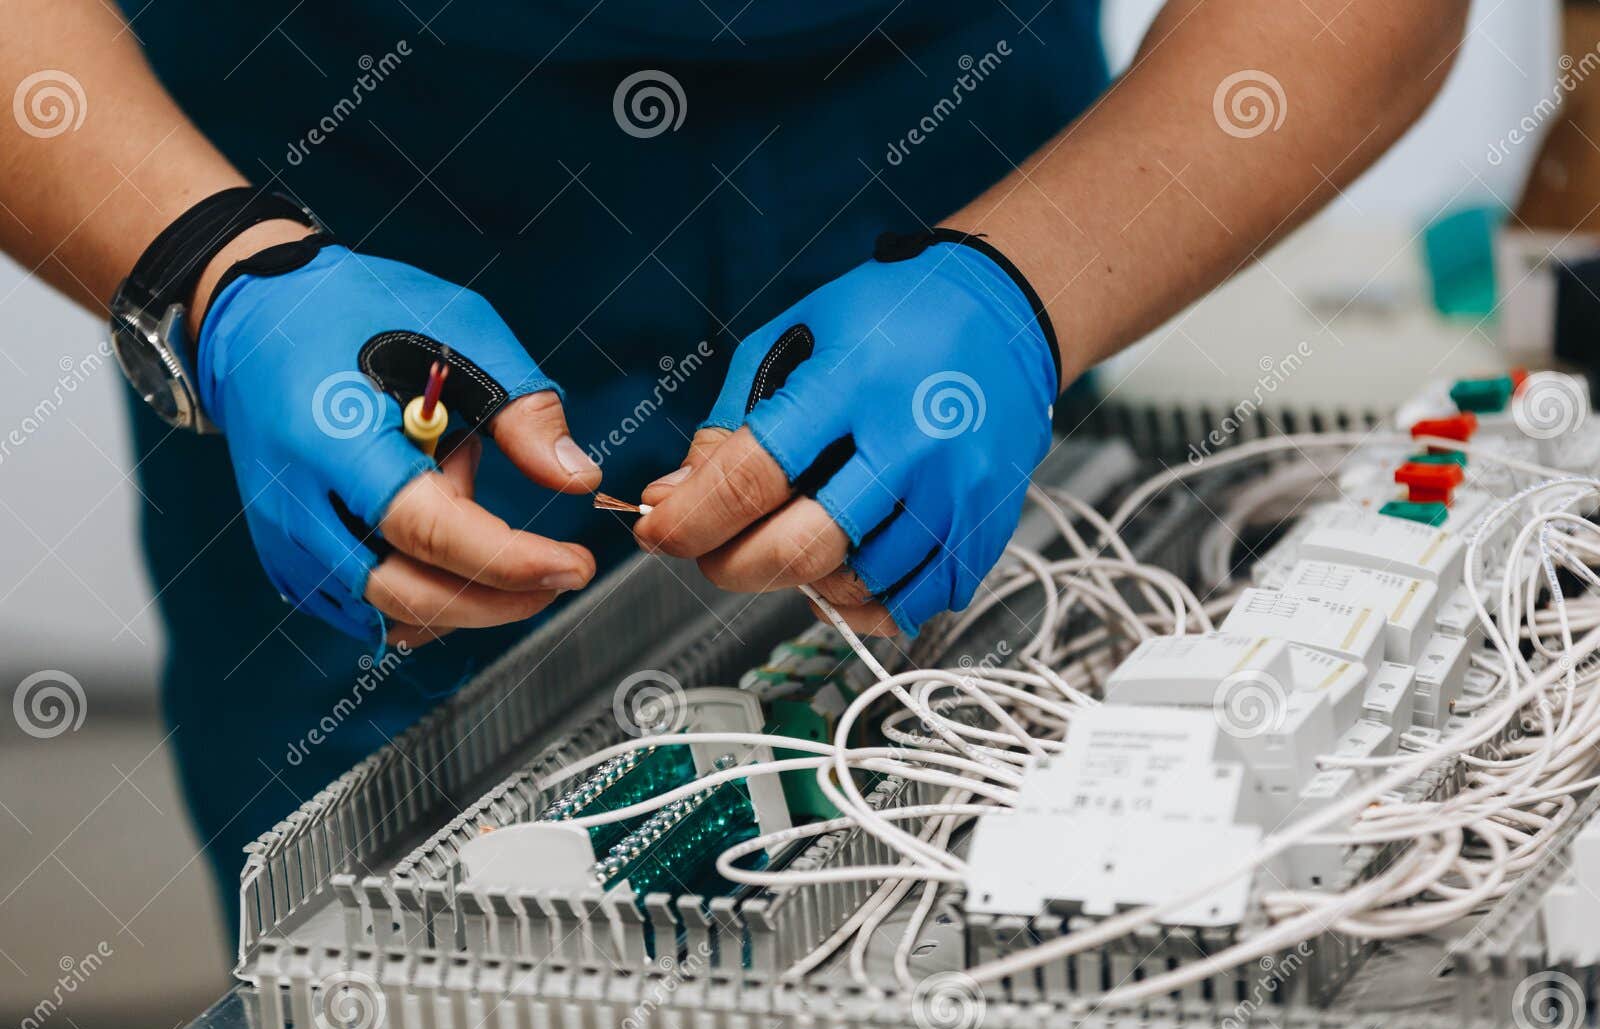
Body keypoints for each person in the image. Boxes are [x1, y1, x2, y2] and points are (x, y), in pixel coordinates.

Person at [0, 0, 1467, 933]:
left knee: (997, 896)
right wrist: (213, 274)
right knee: (390, 943)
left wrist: (1023, 291)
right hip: (334, 206)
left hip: (949, 163)